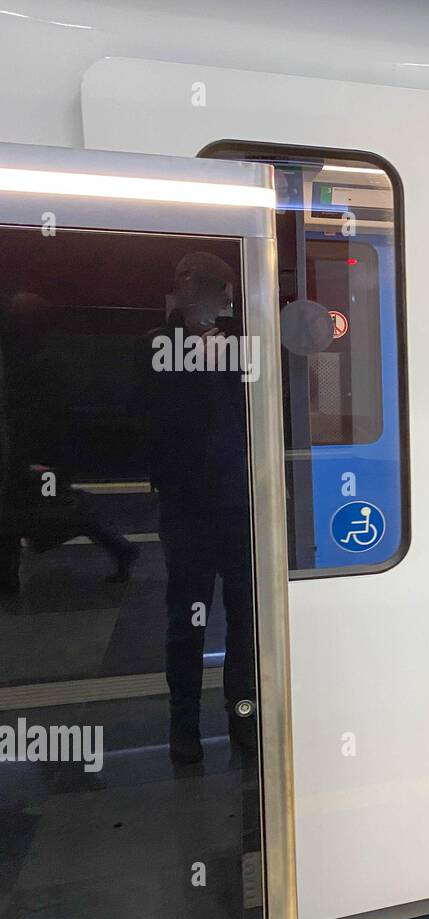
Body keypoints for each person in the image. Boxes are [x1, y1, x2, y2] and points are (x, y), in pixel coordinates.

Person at [136, 252, 256, 765]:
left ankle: (242, 716)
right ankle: (183, 724)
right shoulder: (155, 348)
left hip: (238, 500)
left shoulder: (243, 347)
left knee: (245, 618)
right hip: (190, 503)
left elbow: (262, 412)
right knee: (187, 621)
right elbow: (144, 415)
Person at [0, 292, 138, 594]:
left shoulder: (33, 359)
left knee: (30, 511)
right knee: (47, 507)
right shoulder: (47, 354)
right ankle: (118, 548)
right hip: (41, 449)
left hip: (33, 450)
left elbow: (35, 413)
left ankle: (8, 577)